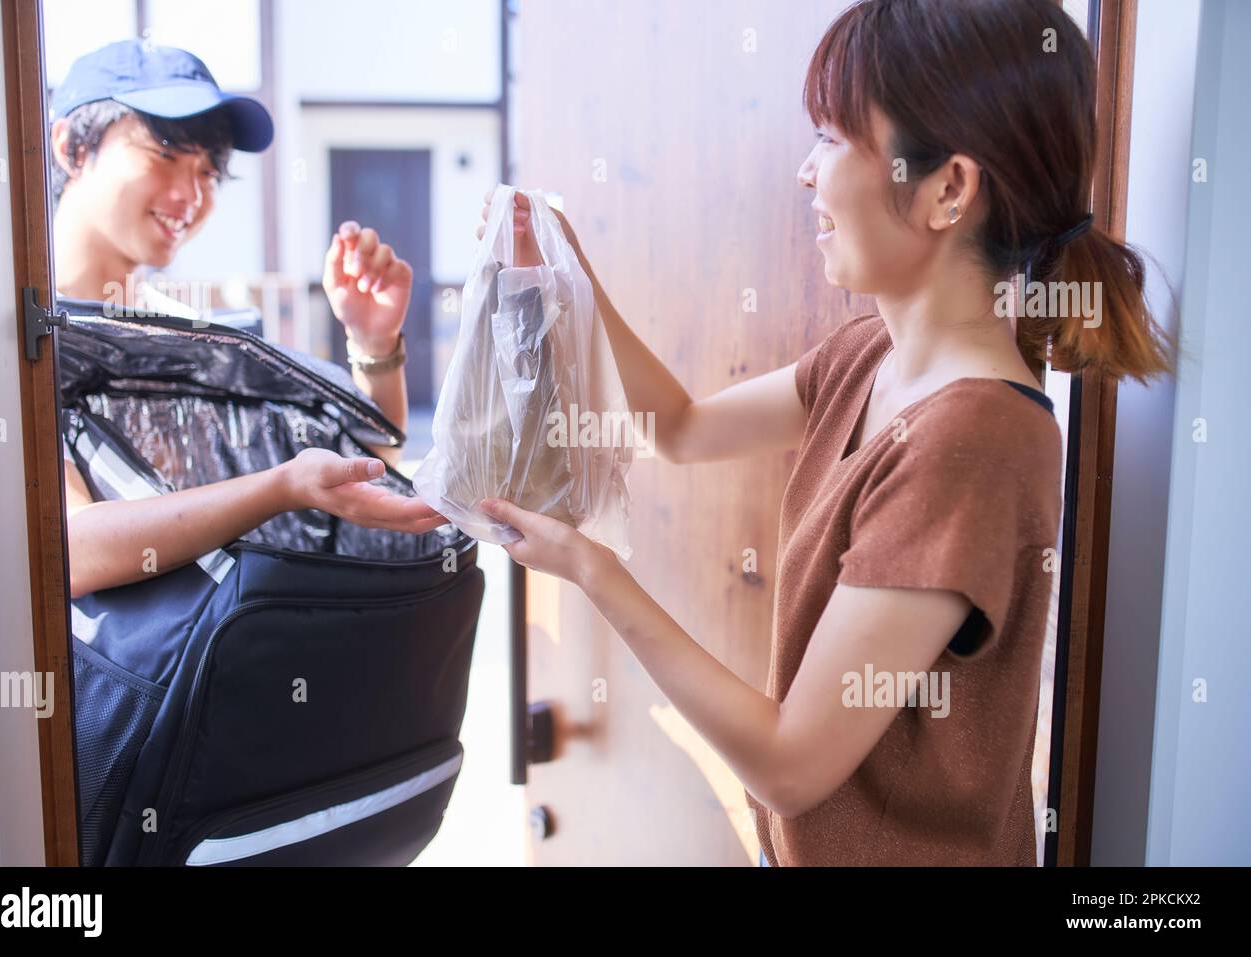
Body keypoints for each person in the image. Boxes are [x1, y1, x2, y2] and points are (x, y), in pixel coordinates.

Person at [476, 0, 1174, 866]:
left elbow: (789, 765)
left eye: (835, 139)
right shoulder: (871, 354)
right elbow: (681, 428)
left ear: (949, 189)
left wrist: (590, 568)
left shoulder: (974, 438)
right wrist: (568, 274)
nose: (807, 172)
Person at [49, 40, 445, 599]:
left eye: (210, 173)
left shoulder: (181, 330)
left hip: (213, 675)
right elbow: (71, 552)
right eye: (164, 153)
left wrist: (372, 339)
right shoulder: (22, 337)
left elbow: (362, 469)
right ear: (71, 148)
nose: (191, 195)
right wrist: (281, 487)